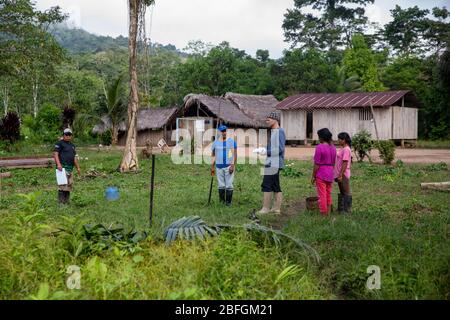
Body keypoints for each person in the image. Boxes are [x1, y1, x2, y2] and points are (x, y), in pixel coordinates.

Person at [258, 112, 286, 215]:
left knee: (267, 184)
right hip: (272, 162)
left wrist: (266, 152)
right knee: (275, 185)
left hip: (274, 163)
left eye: (269, 119)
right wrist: (263, 149)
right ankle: (276, 208)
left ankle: (265, 208)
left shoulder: (280, 131)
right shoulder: (274, 132)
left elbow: (280, 149)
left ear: (275, 120)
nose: (267, 121)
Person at [311, 128, 336, 216]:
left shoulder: (319, 147)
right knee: (328, 193)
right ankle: (328, 213)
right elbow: (333, 163)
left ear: (321, 137)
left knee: (322, 195)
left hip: (321, 173)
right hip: (330, 173)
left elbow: (317, 164)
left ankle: (323, 214)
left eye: (319, 136)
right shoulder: (333, 147)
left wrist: (313, 176)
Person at [211, 125, 237, 206]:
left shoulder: (231, 141)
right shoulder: (215, 143)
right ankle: (222, 202)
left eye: (225, 131)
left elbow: (234, 154)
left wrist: (232, 165)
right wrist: (212, 167)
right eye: (222, 131)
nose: (224, 133)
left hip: (228, 166)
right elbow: (213, 155)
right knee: (221, 185)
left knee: (229, 185)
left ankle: (228, 203)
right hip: (218, 167)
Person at [53, 128, 81, 204]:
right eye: (66, 134)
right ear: (63, 135)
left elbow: (74, 157)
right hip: (62, 168)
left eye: (69, 134)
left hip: (70, 168)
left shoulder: (72, 145)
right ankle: (61, 202)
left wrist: (78, 167)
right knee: (62, 185)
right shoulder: (59, 143)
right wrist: (58, 164)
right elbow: (55, 154)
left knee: (69, 185)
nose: (68, 136)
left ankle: (67, 201)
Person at [334, 132, 352, 214]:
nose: (338, 140)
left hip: (343, 174)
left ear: (344, 140)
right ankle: (341, 209)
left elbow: (345, 163)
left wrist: (341, 174)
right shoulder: (342, 148)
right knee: (342, 191)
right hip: (339, 174)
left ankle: (347, 210)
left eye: (339, 139)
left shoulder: (346, 149)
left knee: (346, 192)